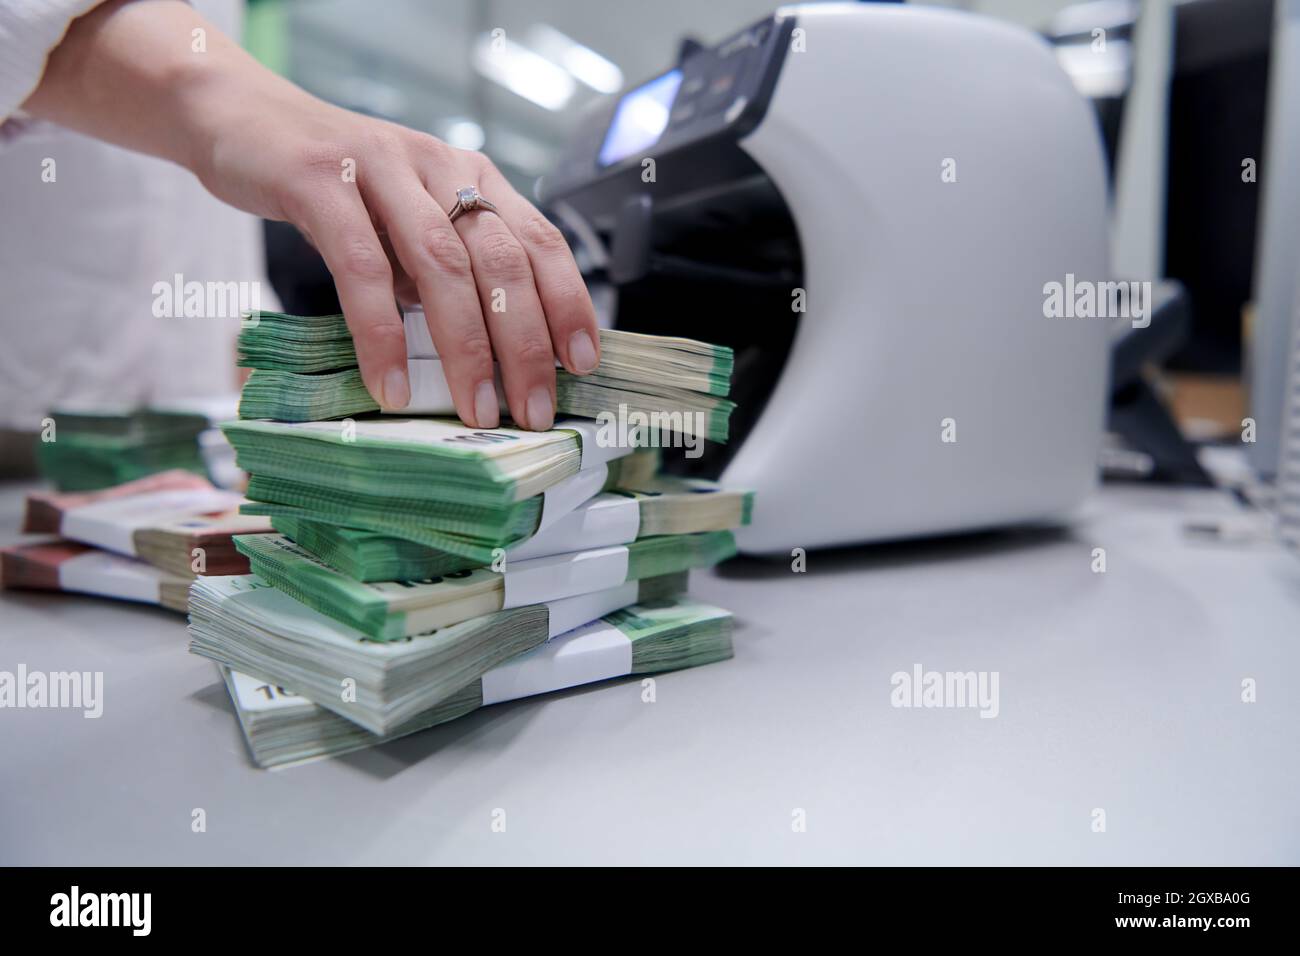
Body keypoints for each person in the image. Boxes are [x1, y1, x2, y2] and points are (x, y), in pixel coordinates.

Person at [0, 0, 600, 478]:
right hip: (30, 420)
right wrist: (224, 102)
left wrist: (256, 342)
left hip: (195, 427)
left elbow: (185, 211)